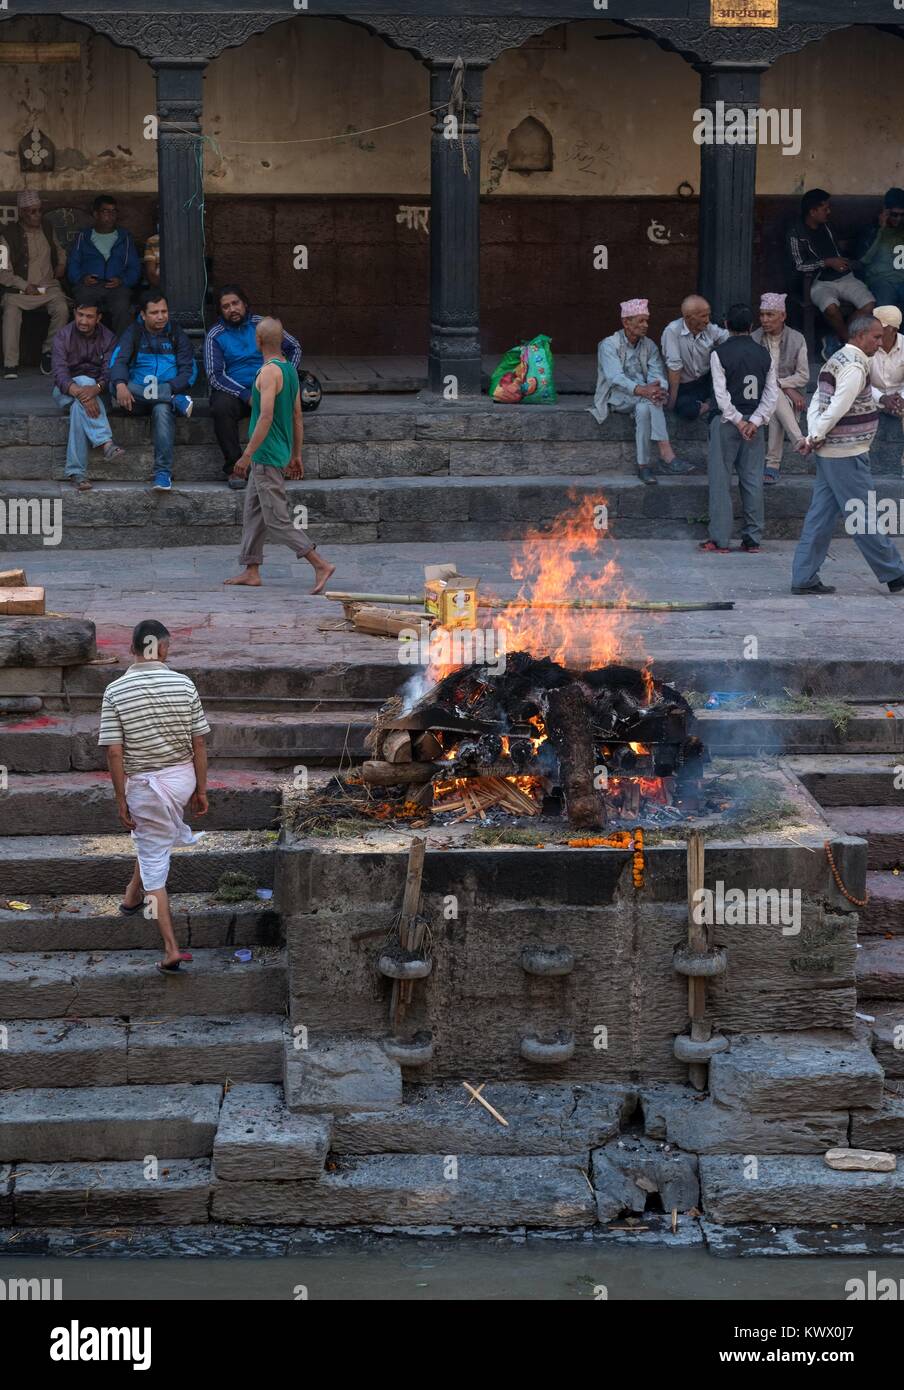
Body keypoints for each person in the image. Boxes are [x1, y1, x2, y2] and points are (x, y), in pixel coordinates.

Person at [99, 619, 210, 974]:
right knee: (154, 840)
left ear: (132, 649)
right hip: (181, 781)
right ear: (163, 649)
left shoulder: (115, 691)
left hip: (144, 786)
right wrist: (202, 788)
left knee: (154, 859)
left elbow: (115, 753)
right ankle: (131, 897)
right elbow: (199, 744)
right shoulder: (184, 684)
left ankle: (171, 949)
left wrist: (120, 798)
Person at [792, 313, 904, 595]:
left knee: (820, 516)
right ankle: (895, 573)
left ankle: (804, 577)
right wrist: (814, 436)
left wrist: (813, 435)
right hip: (846, 453)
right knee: (862, 515)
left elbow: (819, 399)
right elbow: (838, 405)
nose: (879, 343)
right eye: (875, 337)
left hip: (833, 451)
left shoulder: (838, 359)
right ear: (860, 335)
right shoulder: (855, 365)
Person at [224, 316, 334, 593]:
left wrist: (247, 454)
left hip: (266, 455)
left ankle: (319, 562)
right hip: (280, 452)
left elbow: (265, 416)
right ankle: (251, 570)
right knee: (253, 511)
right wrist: (296, 454)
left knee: (276, 518)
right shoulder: (289, 371)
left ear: (257, 341)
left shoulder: (267, 374)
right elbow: (298, 416)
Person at [204, 285, 302, 490]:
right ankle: (235, 467)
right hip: (240, 394)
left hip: (270, 388)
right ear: (220, 311)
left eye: (235, 303)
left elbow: (295, 347)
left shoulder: (262, 325)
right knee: (220, 407)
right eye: (225, 306)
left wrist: (285, 376)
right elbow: (215, 376)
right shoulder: (215, 334)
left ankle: (281, 463)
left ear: (245, 303)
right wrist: (246, 394)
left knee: (287, 407)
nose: (232, 309)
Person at [589, 297, 695, 485]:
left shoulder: (649, 345)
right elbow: (615, 378)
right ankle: (667, 454)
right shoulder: (609, 345)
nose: (646, 325)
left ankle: (643, 467)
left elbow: (658, 373)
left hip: (643, 398)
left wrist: (660, 388)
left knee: (644, 408)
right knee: (647, 400)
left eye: (647, 320)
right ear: (626, 323)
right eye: (641, 321)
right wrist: (643, 390)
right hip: (617, 397)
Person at [701, 303, 779, 555]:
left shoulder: (719, 353)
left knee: (720, 480)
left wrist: (738, 420)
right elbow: (771, 395)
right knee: (753, 480)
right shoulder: (764, 354)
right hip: (754, 427)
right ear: (751, 326)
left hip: (726, 423)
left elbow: (720, 395)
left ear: (726, 325)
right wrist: (754, 421)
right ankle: (753, 539)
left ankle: (720, 540)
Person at [108, 290, 195, 491]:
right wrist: (121, 384)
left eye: (164, 311)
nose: (161, 316)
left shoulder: (176, 334)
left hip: (164, 395)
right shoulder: (134, 332)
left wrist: (171, 388)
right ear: (144, 315)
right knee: (115, 384)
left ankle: (162, 473)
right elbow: (117, 362)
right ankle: (174, 399)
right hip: (135, 399)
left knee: (162, 409)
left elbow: (188, 370)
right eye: (155, 312)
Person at [787, 189, 875, 352]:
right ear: (812, 211)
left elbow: (839, 249)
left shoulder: (827, 226)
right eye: (825, 208)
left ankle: (839, 339)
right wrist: (826, 262)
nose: (829, 211)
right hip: (818, 282)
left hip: (844, 277)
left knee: (869, 305)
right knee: (831, 308)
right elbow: (799, 265)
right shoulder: (796, 232)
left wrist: (843, 261)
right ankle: (849, 345)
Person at [51, 298, 124, 491]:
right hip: (65, 392)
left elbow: (109, 373)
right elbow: (59, 373)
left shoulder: (109, 338)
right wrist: (83, 392)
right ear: (75, 313)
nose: (83, 321)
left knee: (79, 408)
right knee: (83, 382)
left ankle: (77, 473)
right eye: (80, 315)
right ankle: (105, 442)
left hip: (99, 395)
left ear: (99, 318)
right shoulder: (62, 336)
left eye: (89, 316)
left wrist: (95, 390)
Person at [0, 190, 69, 378]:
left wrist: (62, 263)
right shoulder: (6, 235)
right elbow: (2, 271)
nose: (37, 215)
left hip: (46, 288)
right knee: (11, 310)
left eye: (39, 211)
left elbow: (59, 249)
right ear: (21, 212)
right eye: (32, 211)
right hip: (21, 291)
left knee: (62, 308)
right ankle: (10, 363)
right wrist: (24, 285)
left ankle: (49, 352)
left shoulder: (47, 227)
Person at [751, 292, 810, 483]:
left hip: (781, 399)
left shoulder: (797, 338)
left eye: (770, 315)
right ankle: (799, 441)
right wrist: (787, 389)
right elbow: (754, 375)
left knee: (775, 401)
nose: (764, 320)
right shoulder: (754, 338)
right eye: (762, 315)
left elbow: (804, 375)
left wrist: (781, 385)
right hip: (757, 394)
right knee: (773, 395)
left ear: (783, 316)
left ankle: (772, 465)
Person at [67, 195, 141, 336]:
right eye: (106, 211)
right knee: (84, 308)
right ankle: (84, 349)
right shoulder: (84, 236)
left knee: (123, 309)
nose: (111, 216)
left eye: (114, 212)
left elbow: (134, 267)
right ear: (96, 214)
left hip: (116, 286)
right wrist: (82, 278)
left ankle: (121, 352)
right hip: (89, 286)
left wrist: (123, 280)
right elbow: (73, 264)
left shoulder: (124, 237)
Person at [661, 295, 729, 421]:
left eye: (708, 315)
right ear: (688, 318)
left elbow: (728, 338)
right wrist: (671, 403)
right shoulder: (672, 331)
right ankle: (710, 404)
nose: (707, 320)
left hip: (706, 381)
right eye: (703, 316)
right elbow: (674, 370)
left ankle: (709, 403)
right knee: (687, 411)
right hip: (684, 386)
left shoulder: (709, 328)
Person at [868, 304, 904, 471]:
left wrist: (902, 397)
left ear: (893, 330)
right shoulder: (867, 344)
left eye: (881, 327)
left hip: (899, 399)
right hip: (870, 397)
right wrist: (882, 398)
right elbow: (859, 381)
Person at [856, 188, 904, 312]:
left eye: (902, 215)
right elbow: (863, 259)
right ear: (885, 211)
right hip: (881, 281)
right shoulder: (871, 230)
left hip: (902, 280)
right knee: (886, 309)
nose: (898, 219)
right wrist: (880, 229)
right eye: (894, 214)